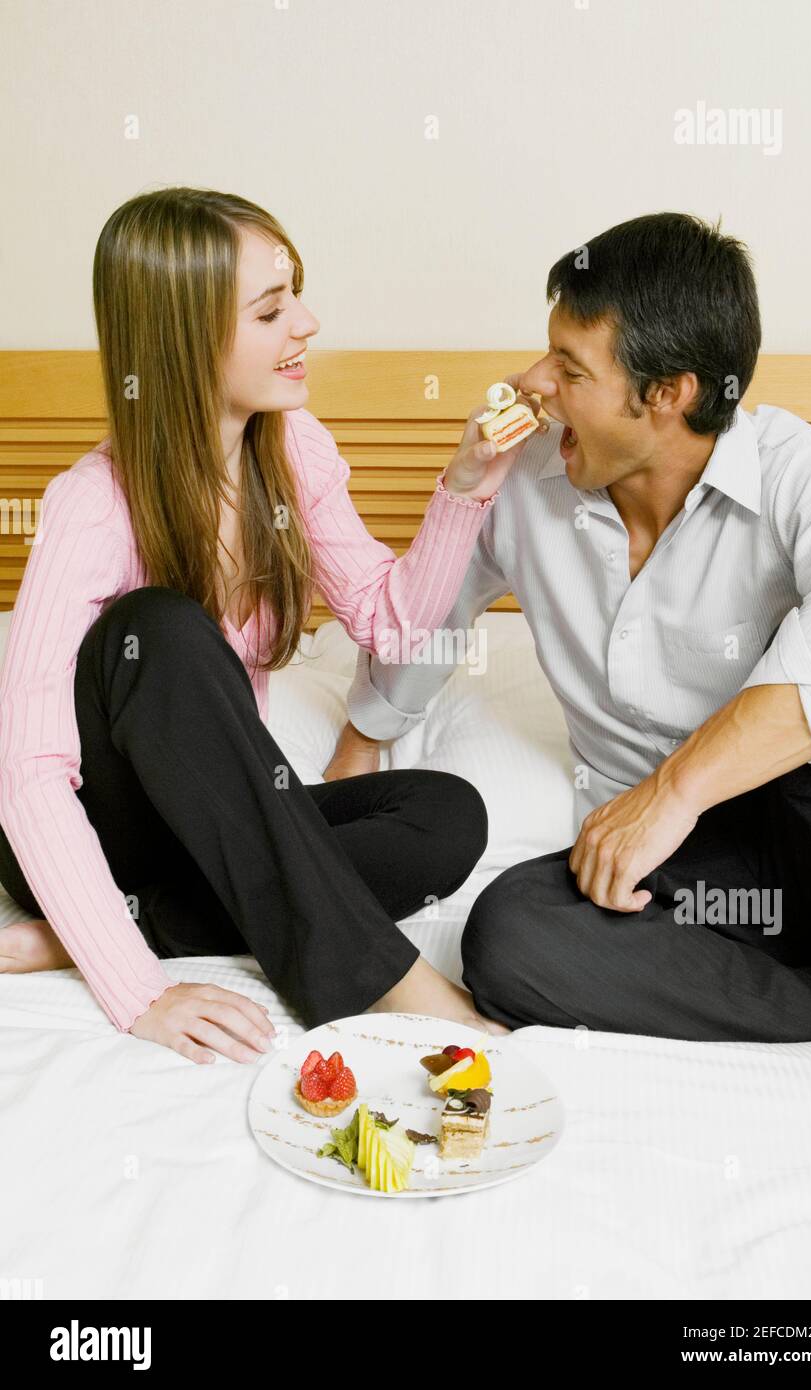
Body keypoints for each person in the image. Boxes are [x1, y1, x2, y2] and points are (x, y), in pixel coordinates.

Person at [0, 186, 541, 1061]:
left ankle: (94, 928)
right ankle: (383, 978)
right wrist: (139, 990)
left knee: (444, 814)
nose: (308, 322)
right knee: (162, 628)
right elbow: (27, 774)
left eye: (297, 294)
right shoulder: (86, 509)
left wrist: (468, 481)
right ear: (184, 336)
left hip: (214, 824)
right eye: (271, 309)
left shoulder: (293, 449)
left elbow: (394, 629)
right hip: (99, 826)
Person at [329, 211, 811, 1043]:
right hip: (694, 874)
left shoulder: (808, 477)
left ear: (668, 394)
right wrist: (361, 745)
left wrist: (677, 790)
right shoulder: (525, 488)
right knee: (512, 939)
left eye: (568, 368)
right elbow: (429, 622)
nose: (531, 383)